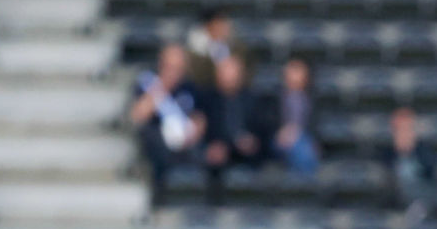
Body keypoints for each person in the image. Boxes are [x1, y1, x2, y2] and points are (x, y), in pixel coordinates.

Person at [130, 43, 207, 201]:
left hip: (186, 144)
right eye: (170, 67)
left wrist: (192, 132)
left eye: (178, 68)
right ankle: (159, 198)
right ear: (161, 65)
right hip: (158, 143)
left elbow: (200, 117)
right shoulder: (148, 84)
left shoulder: (189, 87)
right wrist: (162, 88)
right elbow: (138, 115)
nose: (174, 72)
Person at [200, 53, 266, 202]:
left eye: (232, 73)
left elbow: (262, 129)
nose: (228, 77)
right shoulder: (208, 99)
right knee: (214, 160)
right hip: (218, 150)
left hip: (248, 152)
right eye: (224, 72)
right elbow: (204, 129)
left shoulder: (252, 99)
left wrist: (252, 140)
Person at [270, 56, 320, 175]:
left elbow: (315, 125)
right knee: (303, 151)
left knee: (303, 147)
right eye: (290, 70)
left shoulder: (312, 98)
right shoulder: (275, 97)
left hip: (304, 138)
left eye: (297, 70)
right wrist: (282, 132)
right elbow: (267, 121)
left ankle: (297, 184)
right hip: (279, 138)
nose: (292, 74)